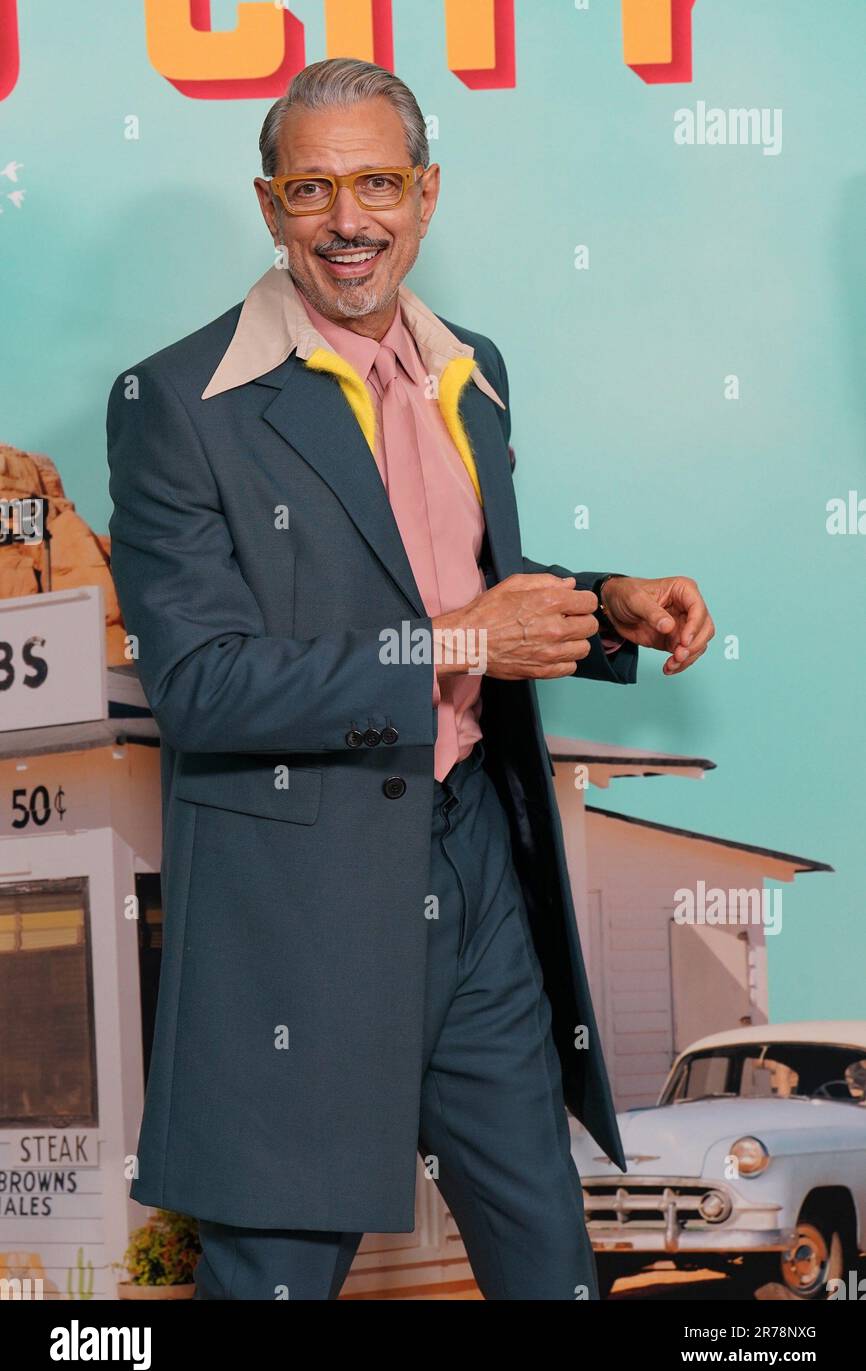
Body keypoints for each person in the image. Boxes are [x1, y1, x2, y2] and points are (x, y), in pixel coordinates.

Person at [106, 57, 714, 1301]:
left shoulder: (471, 368)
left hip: (475, 868)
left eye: (377, 182)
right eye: (313, 189)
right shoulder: (176, 401)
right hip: (301, 903)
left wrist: (605, 608)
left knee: (549, 1260)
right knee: (275, 1271)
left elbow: (459, 578)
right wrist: (454, 645)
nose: (349, 221)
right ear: (270, 207)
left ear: (425, 194)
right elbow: (203, 686)